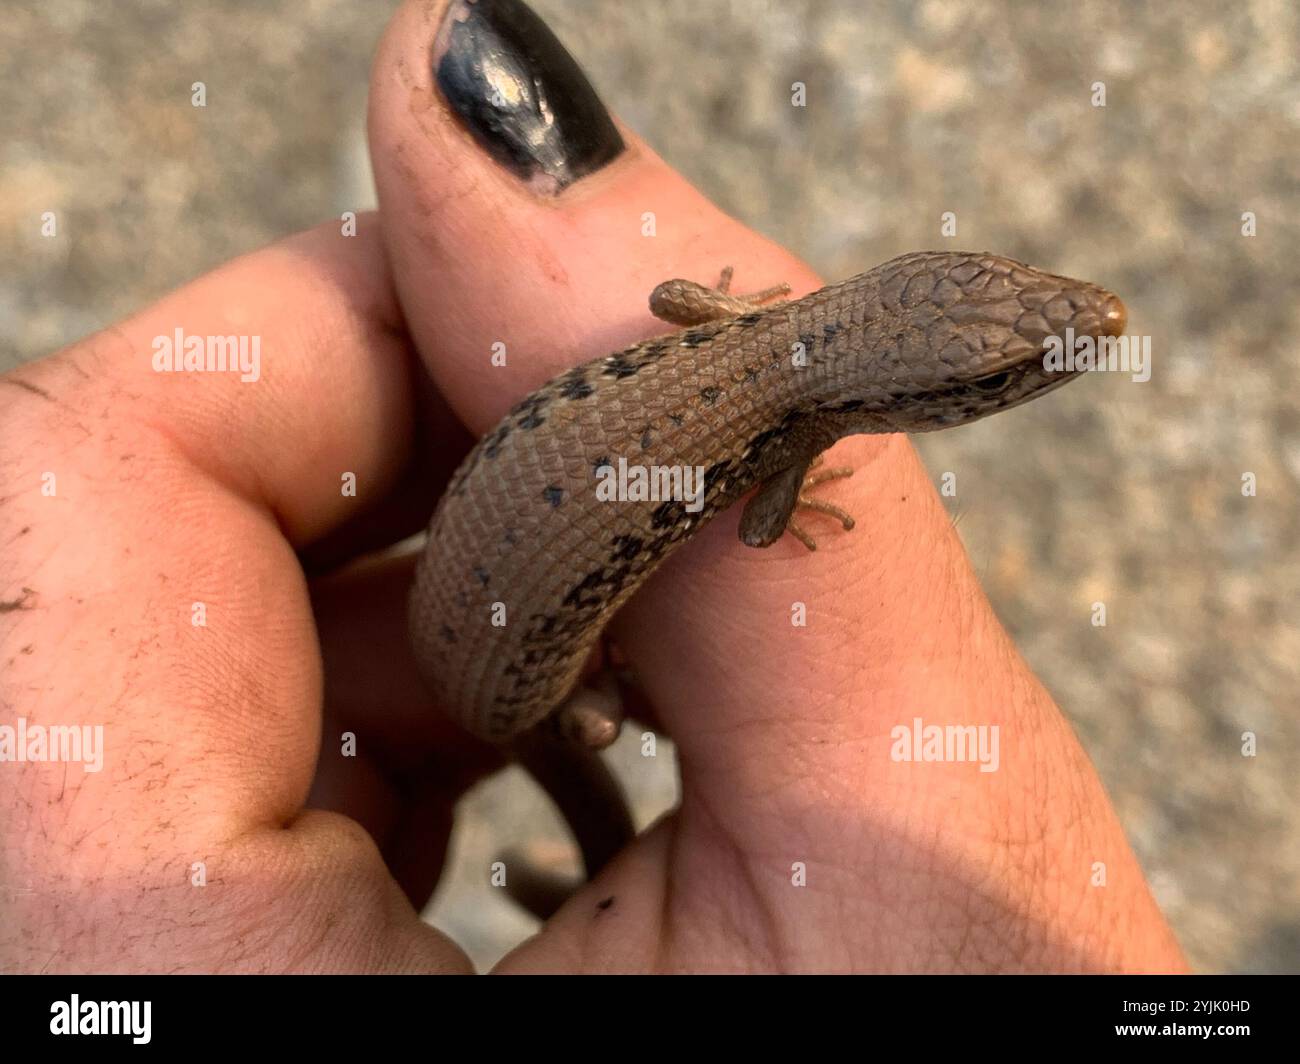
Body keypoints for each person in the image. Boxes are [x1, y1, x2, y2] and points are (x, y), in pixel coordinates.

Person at [0, 0, 1185, 973]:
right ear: (919, 393)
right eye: (1006, 364)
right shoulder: (794, 429)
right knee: (593, 717)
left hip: (466, 597)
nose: (1069, 337)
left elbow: (673, 299)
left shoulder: (756, 348)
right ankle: (578, 765)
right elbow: (768, 521)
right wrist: (795, 484)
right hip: (529, 687)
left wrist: (739, 318)